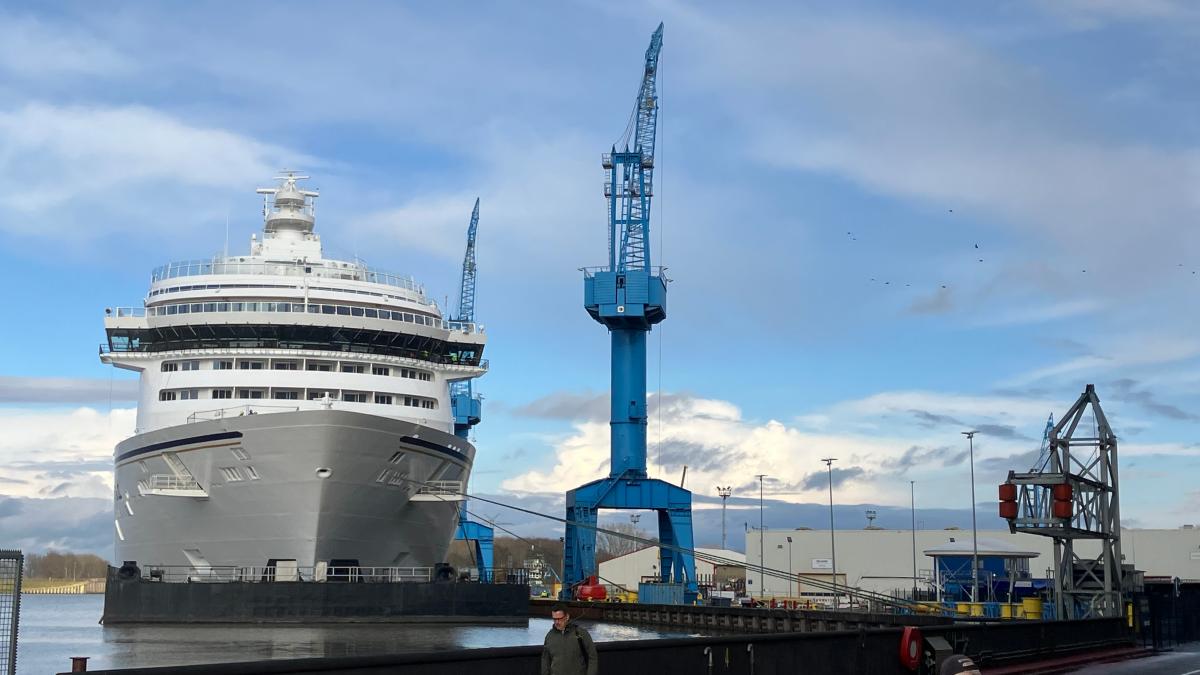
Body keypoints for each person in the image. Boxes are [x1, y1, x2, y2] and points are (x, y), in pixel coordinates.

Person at [541, 604, 598, 675]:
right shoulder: (549, 636)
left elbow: (592, 657)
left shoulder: (581, 633)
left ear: (567, 617)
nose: (557, 622)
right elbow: (545, 661)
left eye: (559, 618)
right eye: (554, 619)